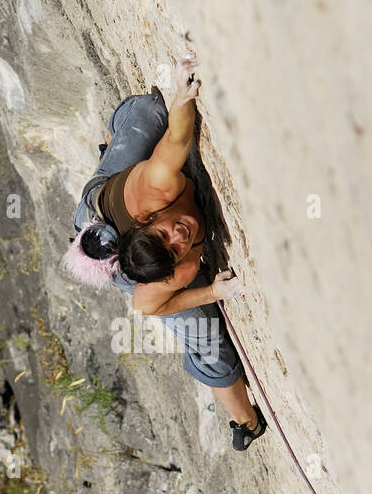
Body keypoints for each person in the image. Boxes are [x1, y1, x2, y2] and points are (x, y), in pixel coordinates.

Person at [66, 55, 267, 451]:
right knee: (208, 341)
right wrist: (212, 293)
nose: (179, 233)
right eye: (177, 250)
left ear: (145, 221)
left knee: (148, 109)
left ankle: (115, 154)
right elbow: (145, 306)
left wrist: (182, 94)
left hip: (98, 208)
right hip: (131, 263)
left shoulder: (157, 186)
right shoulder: (169, 272)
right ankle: (246, 421)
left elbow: (176, 138)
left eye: (165, 232)